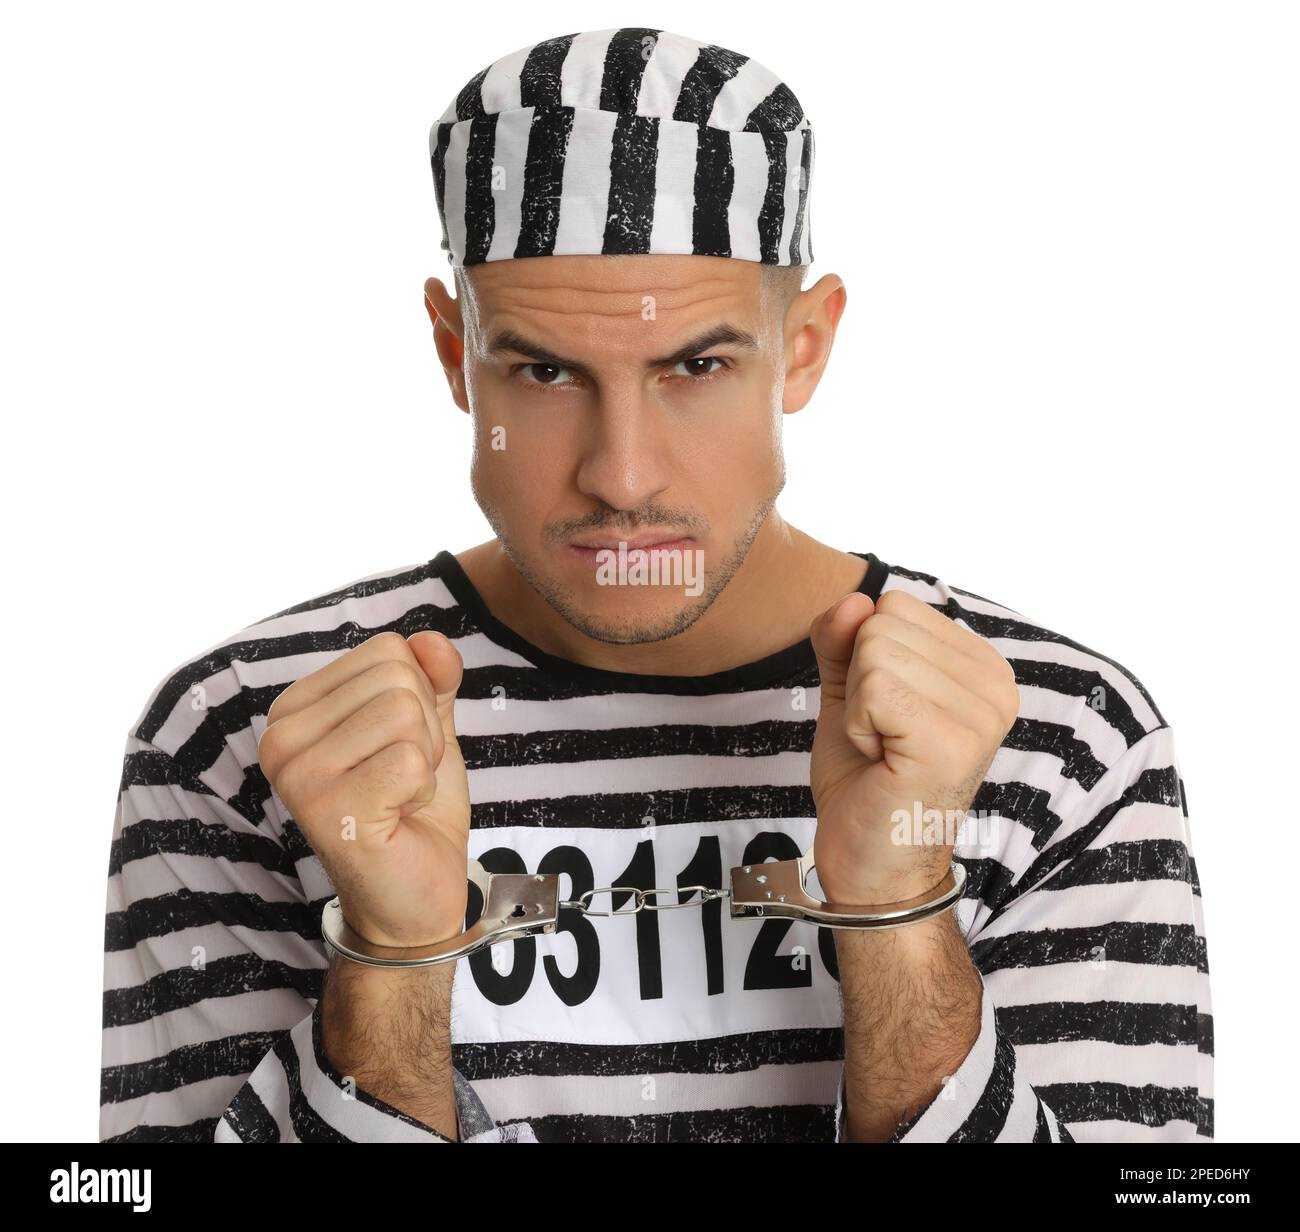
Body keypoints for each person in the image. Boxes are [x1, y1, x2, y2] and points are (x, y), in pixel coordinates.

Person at [100, 26, 1213, 1143]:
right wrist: (389, 959)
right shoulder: (254, 732)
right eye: (541, 370)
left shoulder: (1053, 735)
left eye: (696, 365)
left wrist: (901, 907)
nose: (620, 477)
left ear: (807, 346)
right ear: (453, 353)